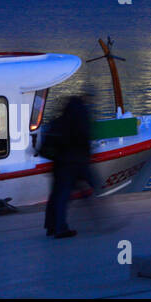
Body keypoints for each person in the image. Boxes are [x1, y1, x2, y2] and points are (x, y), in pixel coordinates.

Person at [42, 96, 94, 238]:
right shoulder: (79, 123)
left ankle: (51, 226)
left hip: (59, 164)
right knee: (64, 197)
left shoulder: (58, 122)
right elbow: (84, 144)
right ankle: (60, 228)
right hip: (74, 164)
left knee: (56, 196)